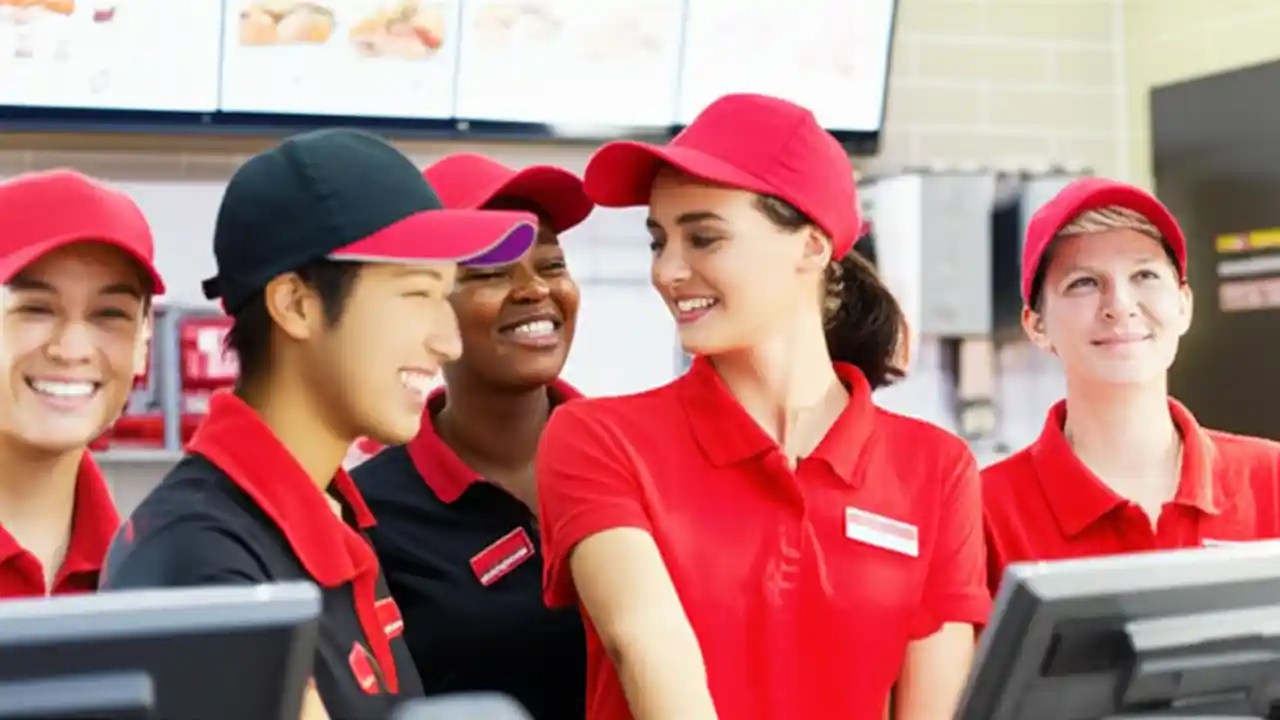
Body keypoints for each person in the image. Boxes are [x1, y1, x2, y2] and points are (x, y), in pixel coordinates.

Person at [535, 93, 991, 720]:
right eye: (657, 241)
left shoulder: (936, 468)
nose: (668, 270)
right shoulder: (598, 438)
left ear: (811, 246)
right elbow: (647, 651)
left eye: (704, 238)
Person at [100, 128, 540, 720]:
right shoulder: (205, 565)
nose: (449, 341)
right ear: (297, 306)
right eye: (415, 295)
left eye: (446, 297)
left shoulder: (332, 517)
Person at [353, 152, 593, 720]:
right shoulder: (369, 513)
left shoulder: (642, 459)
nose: (535, 290)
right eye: (490, 271)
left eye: (552, 265)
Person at [982, 178, 1280, 595]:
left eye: (1144, 274)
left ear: (1184, 305)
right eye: (1083, 282)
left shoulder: (1270, 480)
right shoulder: (985, 512)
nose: (1120, 305)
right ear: (1037, 325)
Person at [0, 169, 162, 599]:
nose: (72, 349)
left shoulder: (152, 574)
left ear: (144, 341)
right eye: (36, 309)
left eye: (109, 314)